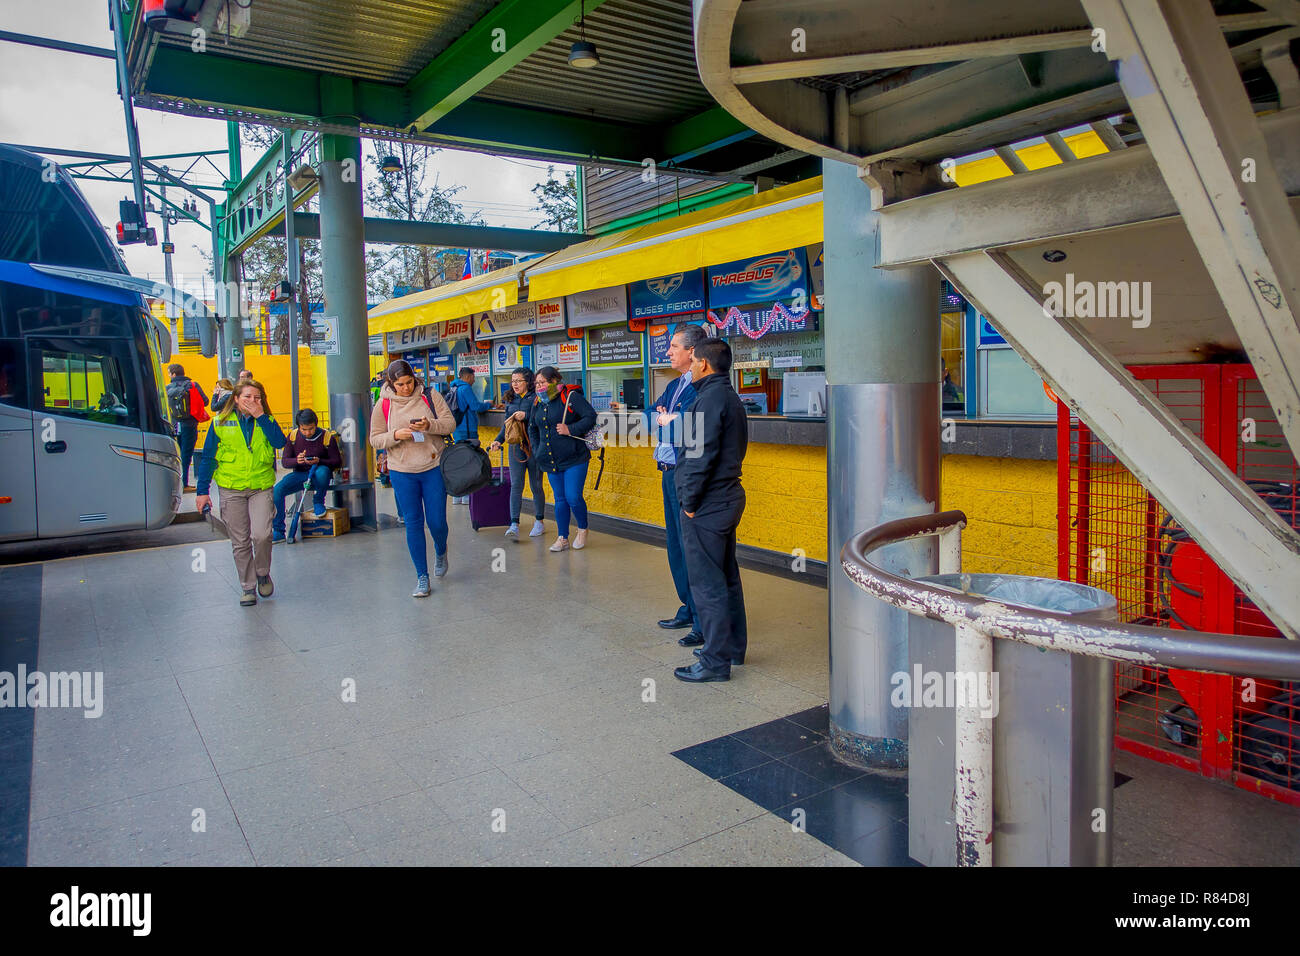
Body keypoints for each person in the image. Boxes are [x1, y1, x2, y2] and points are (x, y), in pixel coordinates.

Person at [672, 338, 749, 683]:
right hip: (726, 497)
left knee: (708, 584)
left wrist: (689, 503)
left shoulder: (707, 400)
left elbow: (699, 456)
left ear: (703, 363)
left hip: (708, 504)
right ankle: (732, 648)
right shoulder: (727, 396)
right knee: (726, 577)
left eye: (692, 360)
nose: (687, 364)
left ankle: (715, 661)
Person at [194, 379, 286, 607]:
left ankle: (262, 571)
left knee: (262, 534)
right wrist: (202, 491)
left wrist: (262, 416)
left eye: (257, 398)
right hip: (230, 487)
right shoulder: (220, 423)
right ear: (235, 399)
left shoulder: (267, 421)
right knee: (240, 541)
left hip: (260, 486)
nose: (253, 402)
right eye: (247, 397)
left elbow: (279, 442)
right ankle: (248, 586)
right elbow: (207, 458)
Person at [369, 359, 456, 597]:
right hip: (402, 471)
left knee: (437, 521)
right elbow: (375, 439)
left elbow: (449, 424)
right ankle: (422, 576)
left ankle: (440, 549)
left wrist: (429, 425)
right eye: (400, 384)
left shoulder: (430, 395)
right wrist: (396, 434)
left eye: (409, 382)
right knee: (413, 523)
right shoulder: (383, 404)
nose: (406, 388)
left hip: (433, 466)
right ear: (391, 383)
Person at [650, 326, 706, 647]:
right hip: (667, 471)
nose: (668, 352)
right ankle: (687, 604)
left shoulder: (701, 388)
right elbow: (651, 415)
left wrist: (669, 421)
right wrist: (665, 418)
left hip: (686, 473)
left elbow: (688, 429)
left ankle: (702, 618)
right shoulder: (673, 385)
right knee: (674, 542)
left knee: (691, 545)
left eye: (674, 347)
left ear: (692, 352)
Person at [527, 366, 596, 552]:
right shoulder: (538, 402)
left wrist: (570, 429)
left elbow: (591, 416)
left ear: (554, 381)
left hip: (575, 457)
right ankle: (562, 537)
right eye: (537, 383)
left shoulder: (571, 397)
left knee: (573, 497)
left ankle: (582, 528)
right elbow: (532, 427)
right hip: (550, 459)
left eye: (542, 382)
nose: (539, 386)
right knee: (560, 499)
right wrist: (537, 447)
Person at [489, 366, 547, 540]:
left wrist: (527, 415)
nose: (514, 384)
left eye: (518, 381)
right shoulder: (510, 400)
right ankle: (514, 523)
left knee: (536, 485)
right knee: (516, 485)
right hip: (516, 448)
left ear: (528, 382)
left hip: (534, 447)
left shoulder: (537, 398)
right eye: (512, 381)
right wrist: (498, 440)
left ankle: (539, 521)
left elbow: (544, 418)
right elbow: (507, 425)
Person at [272, 409, 343, 542]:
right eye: (303, 429)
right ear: (299, 426)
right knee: (277, 490)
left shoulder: (327, 437)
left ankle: (318, 500)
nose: (307, 433)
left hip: (319, 475)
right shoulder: (293, 437)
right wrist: (296, 461)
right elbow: (285, 462)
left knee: (323, 471)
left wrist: (319, 461)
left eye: (310, 429)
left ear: (316, 424)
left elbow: (336, 461)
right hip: (300, 475)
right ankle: (278, 530)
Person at [449, 367, 495, 504]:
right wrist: (488, 405)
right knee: (470, 462)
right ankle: (466, 495)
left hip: (457, 430)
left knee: (459, 461)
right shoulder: (465, 388)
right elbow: (475, 406)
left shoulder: (454, 388)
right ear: (468, 376)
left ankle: (456, 495)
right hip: (468, 430)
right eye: (473, 377)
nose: (474, 380)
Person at [165, 363, 209, 490]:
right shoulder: (193, 385)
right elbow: (205, 401)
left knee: (175, 454)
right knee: (187, 453)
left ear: (173, 374)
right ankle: (184, 484)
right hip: (190, 424)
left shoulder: (167, 388)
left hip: (174, 425)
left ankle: (175, 483)